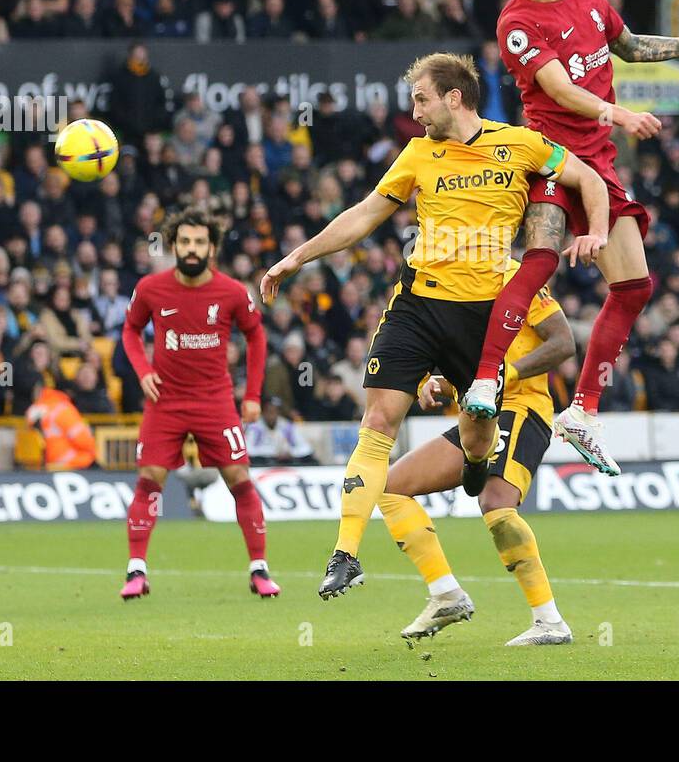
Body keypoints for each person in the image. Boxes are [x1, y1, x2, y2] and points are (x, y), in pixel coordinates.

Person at [260, 51, 608, 600]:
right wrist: (296, 258)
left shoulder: (521, 144)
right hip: (418, 302)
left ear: (454, 97)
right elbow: (365, 213)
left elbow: (589, 179)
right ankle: (345, 553)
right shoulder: (418, 153)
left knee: (477, 426)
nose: (415, 111)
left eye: (421, 98)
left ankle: (474, 463)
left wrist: (598, 233)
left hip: (483, 314)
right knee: (378, 417)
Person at [462, 0, 679, 474]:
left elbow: (632, 46)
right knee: (542, 259)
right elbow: (558, 89)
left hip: (598, 159)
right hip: (549, 156)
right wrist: (618, 112)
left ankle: (582, 412)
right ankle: (485, 375)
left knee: (635, 287)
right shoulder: (517, 22)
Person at [379, 260, 576, 646]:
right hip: (475, 414)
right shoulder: (441, 288)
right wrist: (436, 382)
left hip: (519, 406)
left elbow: (563, 342)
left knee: (497, 501)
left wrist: (505, 376)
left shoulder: (515, 276)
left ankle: (549, 621)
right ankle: (446, 594)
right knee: (391, 487)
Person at [119, 208, 277, 600]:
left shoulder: (233, 292)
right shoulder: (151, 288)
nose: (192, 249)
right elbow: (130, 329)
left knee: (239, 480)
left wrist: (253, 394)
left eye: (199, 242)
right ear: (174, 245)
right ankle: (136, 570)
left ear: (212, 247)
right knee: (149, 479)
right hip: (166, 401)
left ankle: (259, 569)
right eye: (185, 242)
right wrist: (142, 371)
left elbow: (256, 338)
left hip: (215, 401)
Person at [25, 382, 97, 471]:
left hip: (40, 462)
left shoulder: (32, 411)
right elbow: (82, 439)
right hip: (66, 461)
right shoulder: (62, 409)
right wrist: (94, 451)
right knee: (91, 459)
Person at [244, 396, 314, 464]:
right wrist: (274, 453)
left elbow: (306, 448)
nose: (272, 414)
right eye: (269, 411)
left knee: (309, 459)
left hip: (286, 462)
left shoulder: (287, 426)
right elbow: (248, 450)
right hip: (263, 462)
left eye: (275, 411)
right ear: (263, 412)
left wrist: (290, 453)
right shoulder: (254, 427)